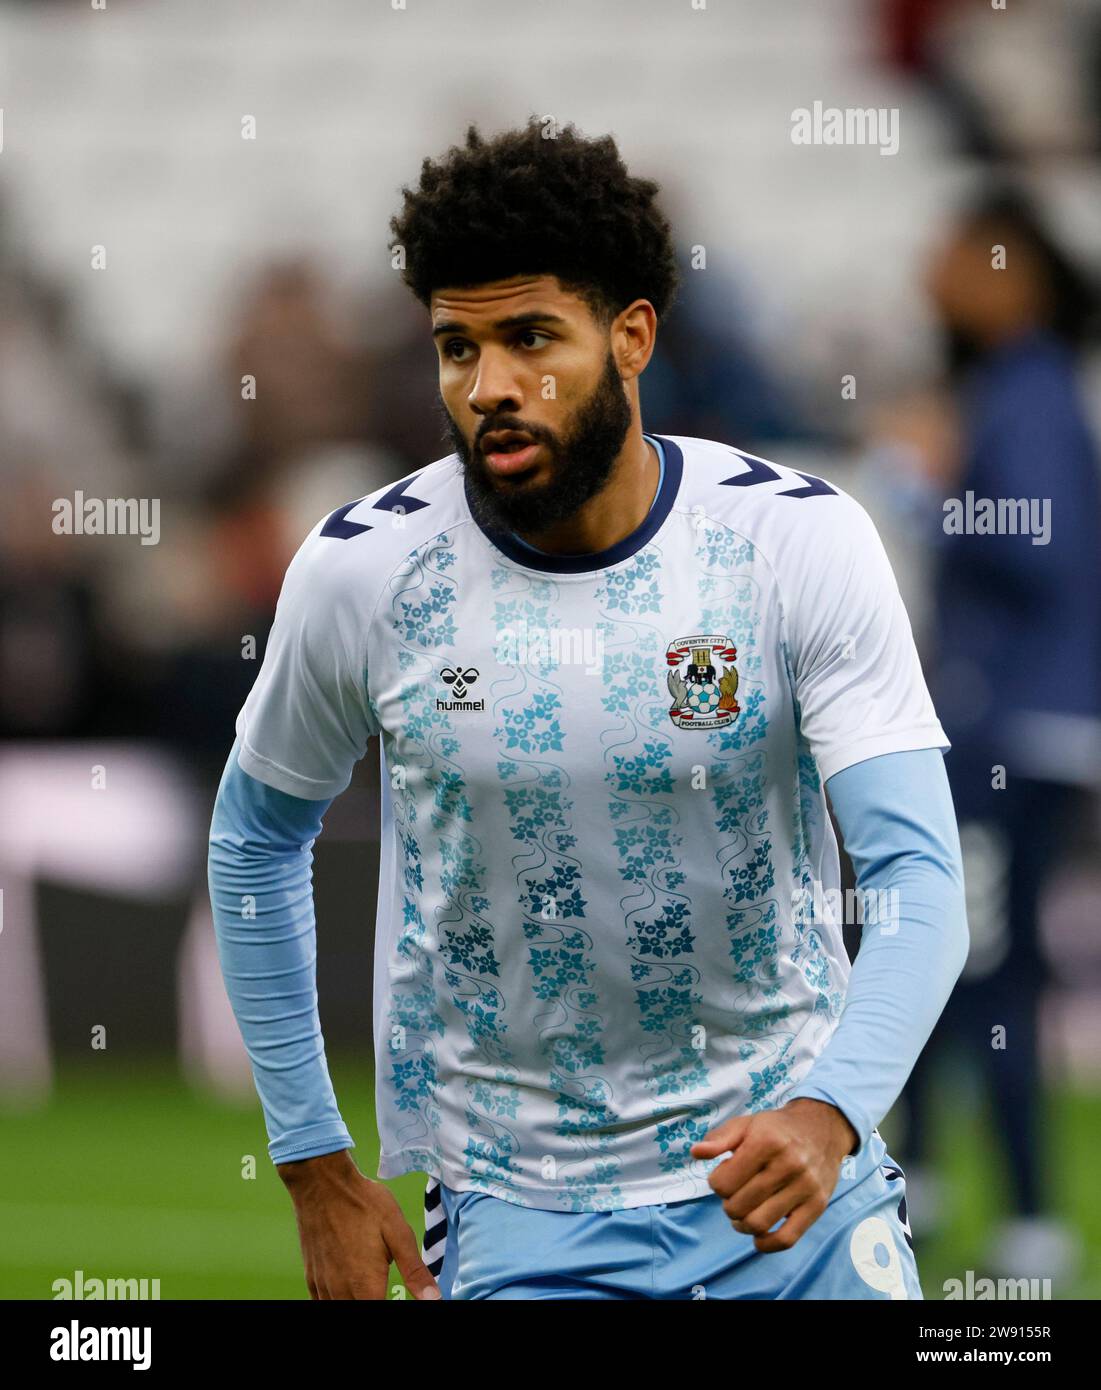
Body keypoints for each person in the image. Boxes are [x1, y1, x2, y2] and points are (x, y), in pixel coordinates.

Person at [208, 118, 968, 1301]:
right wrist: (312, 1161)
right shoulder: (364, 574)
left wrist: (834, 1108)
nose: (490, 387)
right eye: (457, 348)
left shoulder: (792, 541)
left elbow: (919, 875)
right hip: (519, 1207)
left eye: (529, 339)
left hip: (791, 1183)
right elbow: (255, 837)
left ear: (631, 337)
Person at [901, 187, 1101, 1283]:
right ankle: (927, 1180)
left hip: (1007, 727)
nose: (931, 268)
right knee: (967, 956)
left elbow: (1040, 549)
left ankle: (1027, 1218)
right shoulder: (1027, 390)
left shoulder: (1023, 396)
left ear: (1010, 269)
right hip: (1027, 724)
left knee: (979, 964)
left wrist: (930, 490)